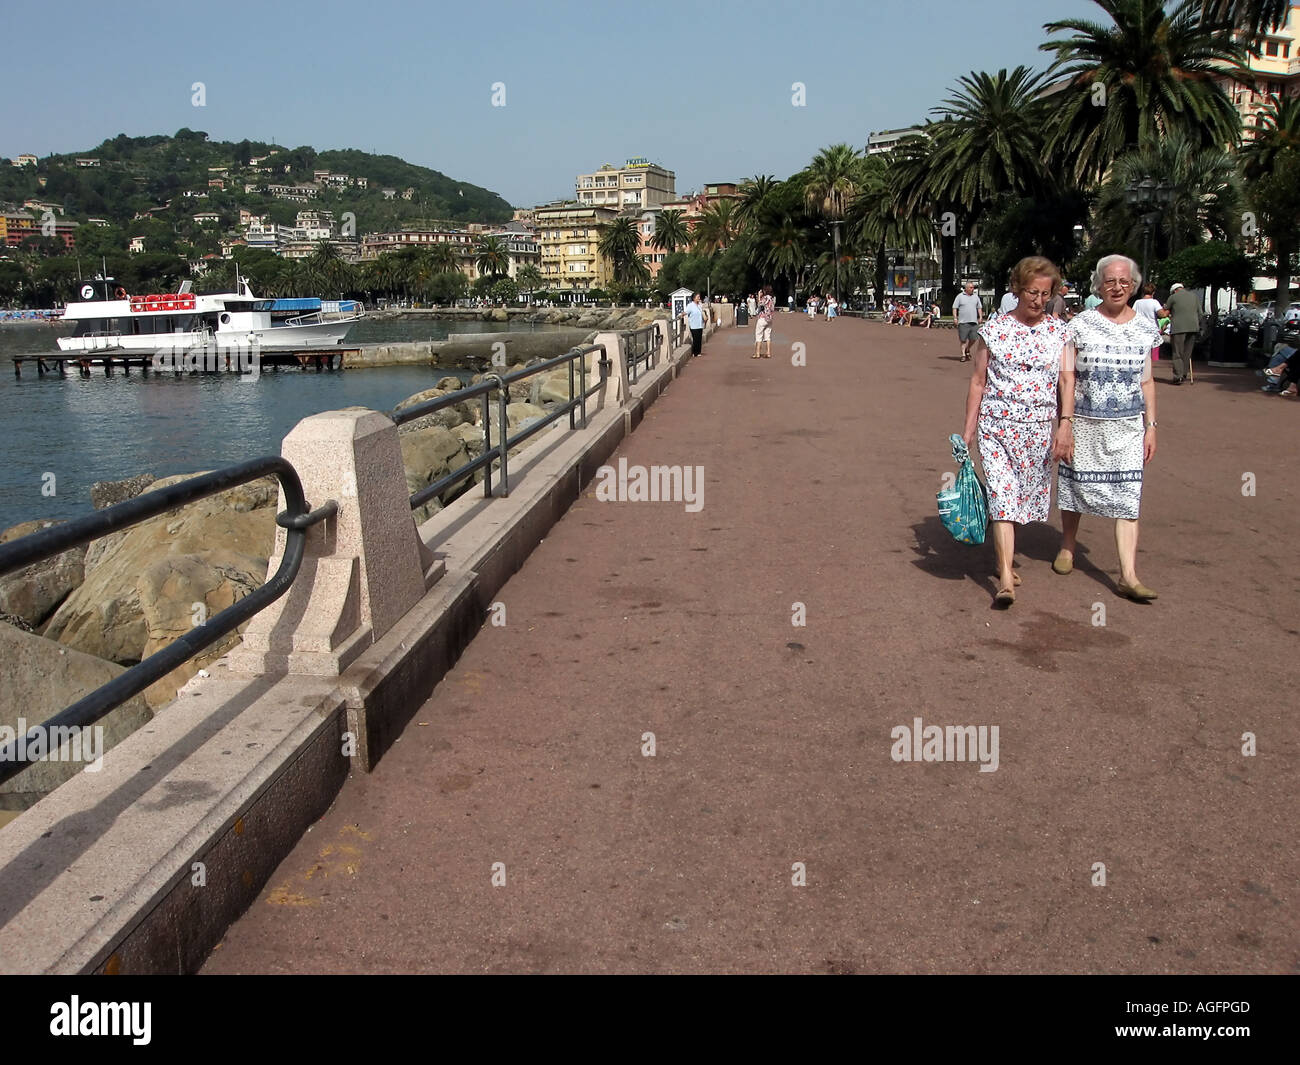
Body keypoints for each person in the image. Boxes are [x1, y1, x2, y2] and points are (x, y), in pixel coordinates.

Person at [961, 256, 1068, 607]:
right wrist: (969, 431)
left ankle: (1001, 557)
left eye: (1044, 294)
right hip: (996, 427)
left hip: (1038, 430)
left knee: (1021, 501)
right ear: (1017, 290)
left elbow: (1066, 380)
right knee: (1004, 499)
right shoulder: (994, 331)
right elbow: (978, 382)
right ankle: (1005, 577)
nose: (1037, 300)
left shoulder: (1059, 332)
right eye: (1031, 292)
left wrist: (1065, 425)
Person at [1053, 254, 1160, 602]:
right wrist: (1065, 422)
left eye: (1124, 282)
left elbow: (1147, 382)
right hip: (1084, 422)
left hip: (1128, 426)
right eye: (1110, 282)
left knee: (1129, 497)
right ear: (1098, 286)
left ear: (1134, 285)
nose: (1117, 288)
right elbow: (1066, 375)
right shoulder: (1079, 325)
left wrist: (1151, 426)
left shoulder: (1145, 328)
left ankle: (1128, 574)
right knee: (1075, 486)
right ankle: (1068, 547)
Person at [1166, 282, 1200, 385]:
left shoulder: (1173, 297)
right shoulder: (1194, 296)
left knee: (1177, 353)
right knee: (1187, 353)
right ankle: (1184, 374)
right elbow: (1200, 312)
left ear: (1174, 291)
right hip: (1193, 327)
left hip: (1178, 328)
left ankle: (1178, 376)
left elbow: (1166, 310)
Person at [952, 281, 983, 361]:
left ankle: (967, 349)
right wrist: (955, 318)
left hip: (974, 321)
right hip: (963, 322)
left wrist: (980, 317)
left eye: (973, 287)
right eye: (971, 287)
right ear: (966, 288)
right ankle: (963, 355)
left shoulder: (976, 297)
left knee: (974, 338)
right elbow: (954, 307)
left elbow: (979, 307)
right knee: (963, 339)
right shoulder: (960, 296)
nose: (972, 289)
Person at [679, 292, 707, 356]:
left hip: (700, 325)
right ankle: (695, 353)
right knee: (695, 339)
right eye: (698, 297)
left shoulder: (700, 305)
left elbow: (702, 312)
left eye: (699, 297)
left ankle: (698, 352)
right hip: (694, 325)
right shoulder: (690, 305)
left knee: (699, 339)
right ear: (694, 298)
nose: (699, 298)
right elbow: (686, 312)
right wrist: (681, 315)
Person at [752, 285, 775, 358]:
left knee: (758, 335)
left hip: (762, 318)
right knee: (768, 336)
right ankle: (768, 353)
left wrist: (759, 296)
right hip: (769, 318)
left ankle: (757, 353)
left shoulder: (765, 298)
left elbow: (760, 304)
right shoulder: (772, 298)